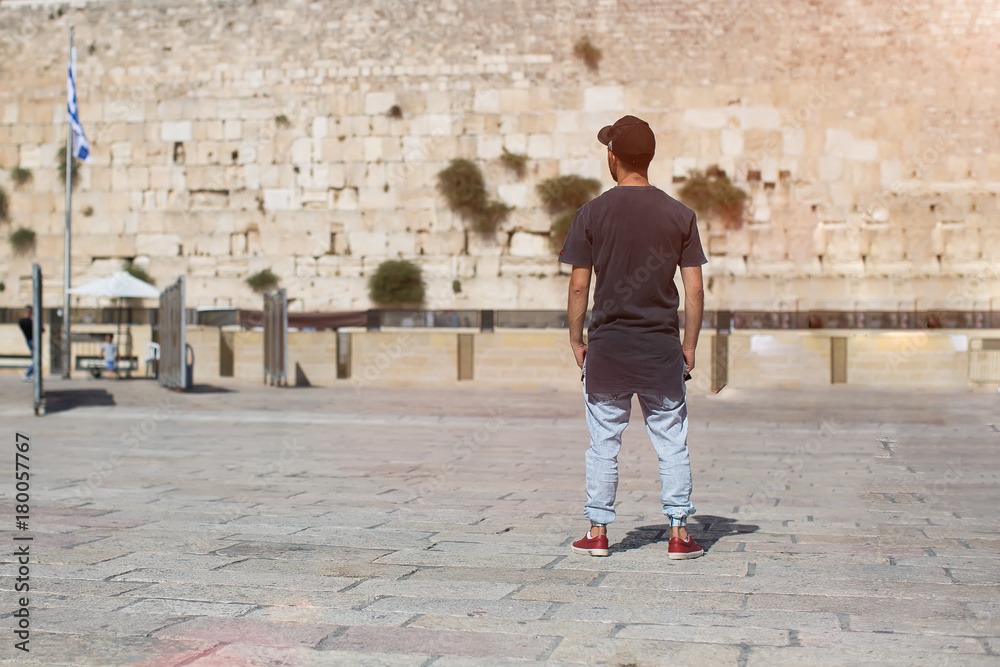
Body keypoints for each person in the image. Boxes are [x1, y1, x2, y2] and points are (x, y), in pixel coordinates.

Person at [558, 115, 708, 559]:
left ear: (613, 158)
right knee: (672, 443)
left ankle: (598, 531)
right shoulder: (680, 215)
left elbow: (579, 286)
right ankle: (679, 534)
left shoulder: (591, 213)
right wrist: (690, 347)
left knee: (603, 443)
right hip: (661, 350)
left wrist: (575, 339)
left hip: (608, 350)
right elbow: (694, 289)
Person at [18, 306, 35, 382]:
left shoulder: (22, 321)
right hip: (32, 340)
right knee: (37, 359)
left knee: (36, 359)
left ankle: (30, 374)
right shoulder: (27, 321)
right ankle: (27, 374)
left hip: (29, 340)